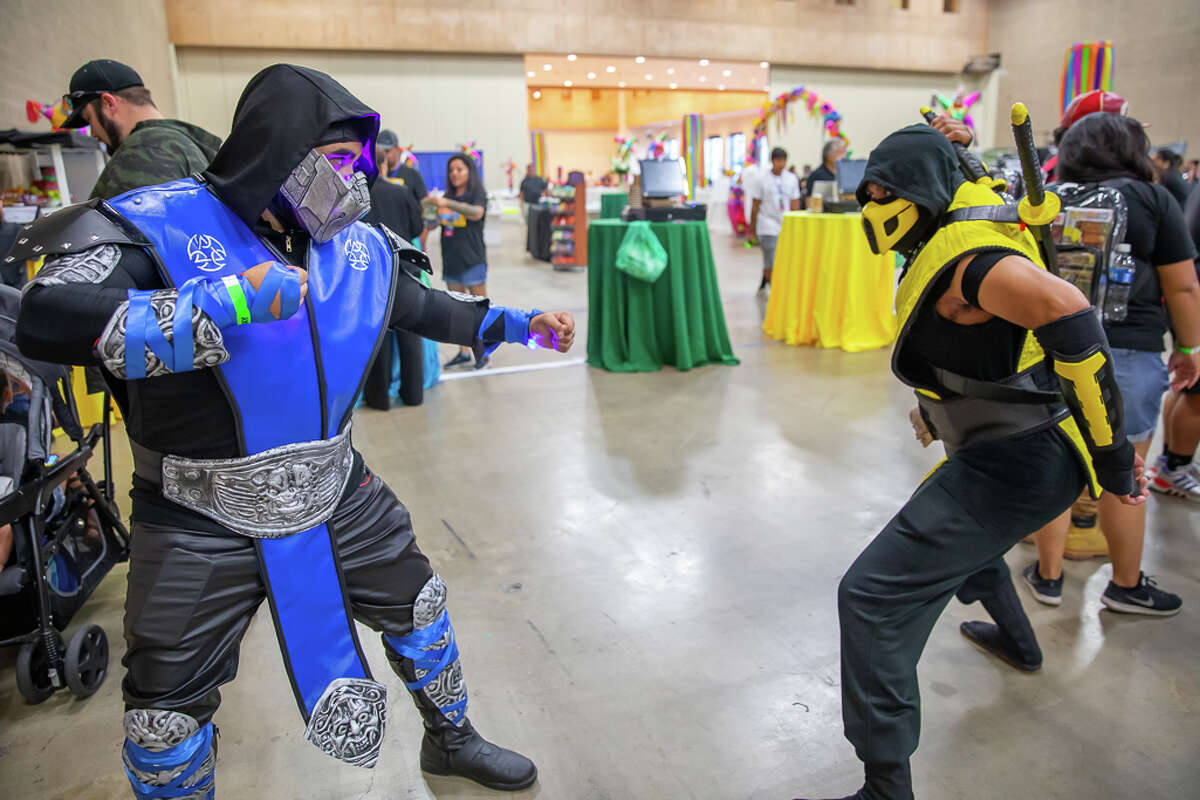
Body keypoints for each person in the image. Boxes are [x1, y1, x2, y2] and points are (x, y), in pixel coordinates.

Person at [15, 64, 577, 797]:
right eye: (335, 165)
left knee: (420, 606)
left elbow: (420, 305)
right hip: (193, 513)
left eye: (357, 165)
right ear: (277, 151)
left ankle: (451, 739)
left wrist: (515, 323)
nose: (352, 183)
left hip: (338, 485)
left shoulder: (353, 244)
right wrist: (217, 304)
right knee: (164, 711)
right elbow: (45, 317)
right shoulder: (154, 223)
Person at [797, 124, 1145, 800]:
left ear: (921, 193)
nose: (871, 205)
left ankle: (885, 787)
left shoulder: (972, 260)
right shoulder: (958, 220)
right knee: (966, 543)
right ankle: (1020, 641)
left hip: (1022, 459)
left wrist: (1116, 461)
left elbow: (1066, 311)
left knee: (870, 596)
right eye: (868, 190)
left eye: (882, 192)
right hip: (994, 445)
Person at [1023, 114, 1200, 614]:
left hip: (1049, 350)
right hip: (1129, 351)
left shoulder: (1048, 200)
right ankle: (1125, 585)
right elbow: (1182, 285)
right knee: (1126, 473)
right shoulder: (1154, 199)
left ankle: (1048, 574)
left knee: (1058, 466)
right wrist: (1189, 350)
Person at [59, 59, 221, 201]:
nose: (93, 133)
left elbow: (128, 233)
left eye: (89, 119)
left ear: (109, 103)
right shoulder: (183, 142)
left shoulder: (145, 149)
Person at [362, 144, 427, 409]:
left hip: (373, 274)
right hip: (405, 269)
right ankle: (413, 394)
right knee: (411, 334)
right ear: (386, 163)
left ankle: (379, 398)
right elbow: (417, 227)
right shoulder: (402, 193)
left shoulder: (359, 197)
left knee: (379, 339)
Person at [1149, 184, 1200, 500]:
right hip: (1190, 293)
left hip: (1189, 293)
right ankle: (1174, 468)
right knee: (1195, 393)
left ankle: (1171, 462)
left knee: (1186, 386)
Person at [425, 153, 491, 369]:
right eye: (451, 170)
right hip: (451, 260)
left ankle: (483, 352)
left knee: (478, 308)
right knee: (458, 308)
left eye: (460, 169)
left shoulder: (477, 194)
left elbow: (476, 213)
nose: (455, 174)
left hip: (473, 259)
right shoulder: (446, 197)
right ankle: (464, 351)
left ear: (469, 171)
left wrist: (448, 203)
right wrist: (429, 209)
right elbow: (434, 223)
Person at [747, 146, 801, 292]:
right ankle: (773, 283)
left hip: (786, 221)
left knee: (782, 255)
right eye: (778, 161)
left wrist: (796, 223)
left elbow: (795, 202)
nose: (781, 164)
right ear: (772, 161)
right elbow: (755, 204)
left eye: (783, 161)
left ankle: (765, 279)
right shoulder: (761, 179)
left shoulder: (791, 179)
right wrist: (752, 229)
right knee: (771, 253)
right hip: (767, 222)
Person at [377, 129, 431, 249]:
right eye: (380, 151)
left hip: (406, 240)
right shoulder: (373, 177)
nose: (384, 155)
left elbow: (426, 207)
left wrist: (422, 239)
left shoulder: (412, 175)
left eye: (387, 151)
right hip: (380, 241)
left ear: (397, 150)